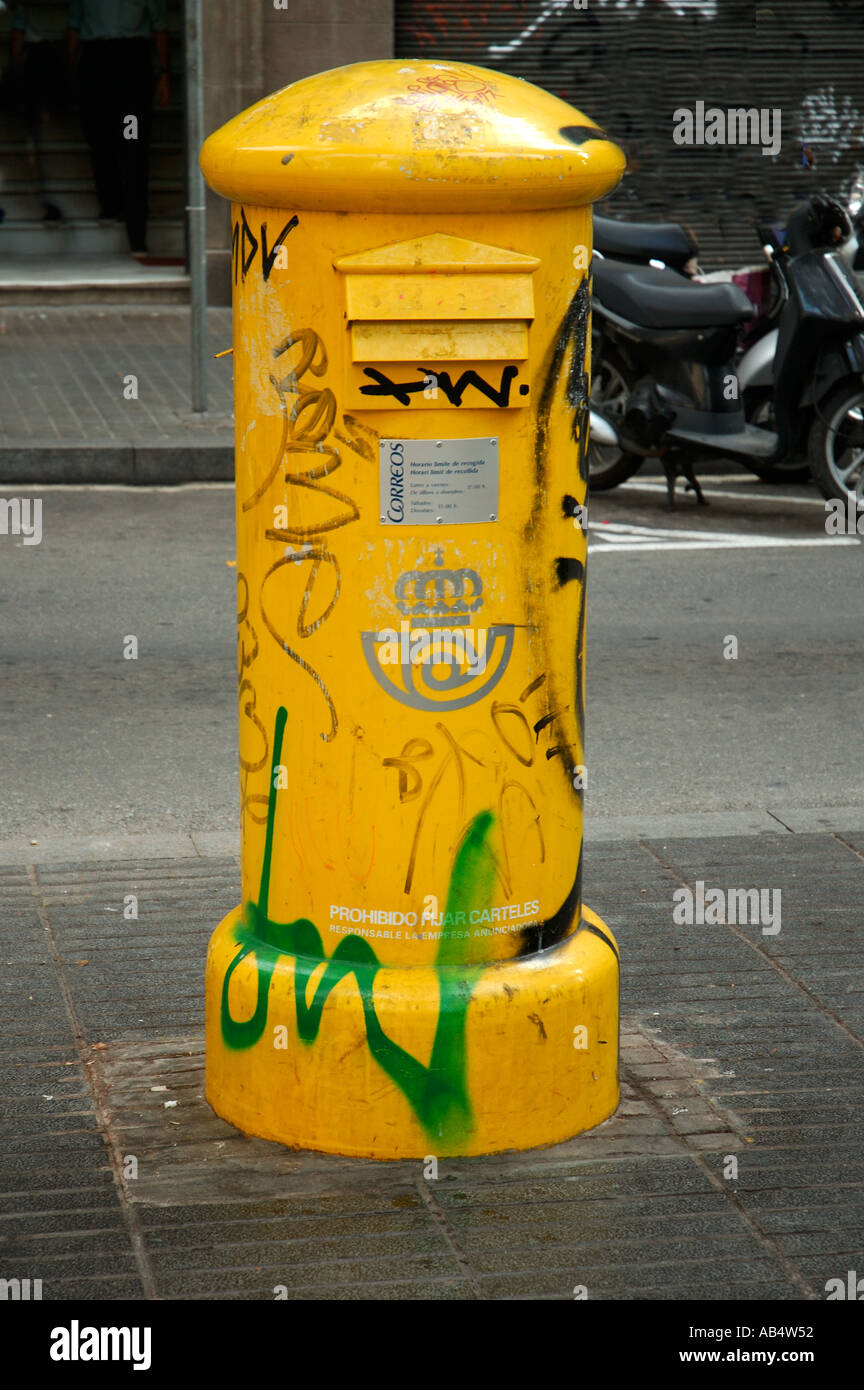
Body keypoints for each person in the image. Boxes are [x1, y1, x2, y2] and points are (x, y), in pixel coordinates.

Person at [67, 0, 169, 258]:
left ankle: (136, 235)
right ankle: (110, 203)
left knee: (133, 144)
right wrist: (70, 75)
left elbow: (160, 28)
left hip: (131, 64)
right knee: (99, 138)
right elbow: (74, 28)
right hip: (96, 62)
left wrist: (165, 73)